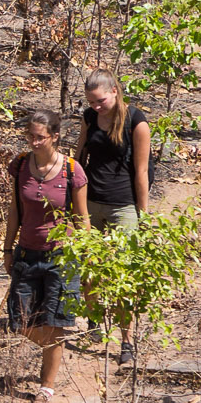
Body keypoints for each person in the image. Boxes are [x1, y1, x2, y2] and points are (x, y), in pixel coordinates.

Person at [2, 110, 88, 403]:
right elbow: (15, 209)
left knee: (56, 322)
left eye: (40, 137)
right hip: (27, 253)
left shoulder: (71, 170)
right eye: (30, 136)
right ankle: (54, 349)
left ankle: (46, 389)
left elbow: (81, 218)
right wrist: (7, 249)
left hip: (62, 257)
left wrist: (87, 254)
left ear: (54, 136)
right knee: (20, 320)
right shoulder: (21, 165)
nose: (34, 142)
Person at [79, 70, 152, 365]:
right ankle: (94, 321)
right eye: (92, 102)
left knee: (124, 272)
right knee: (89, 264)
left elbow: (142, 171)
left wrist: (143, 215)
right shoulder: (89, 117)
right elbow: (80, 156)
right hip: (91, 202)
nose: (97, 107)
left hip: (123, 205)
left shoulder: (136, 121)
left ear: (115, 91)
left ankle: (126, 341)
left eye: (101, 101)